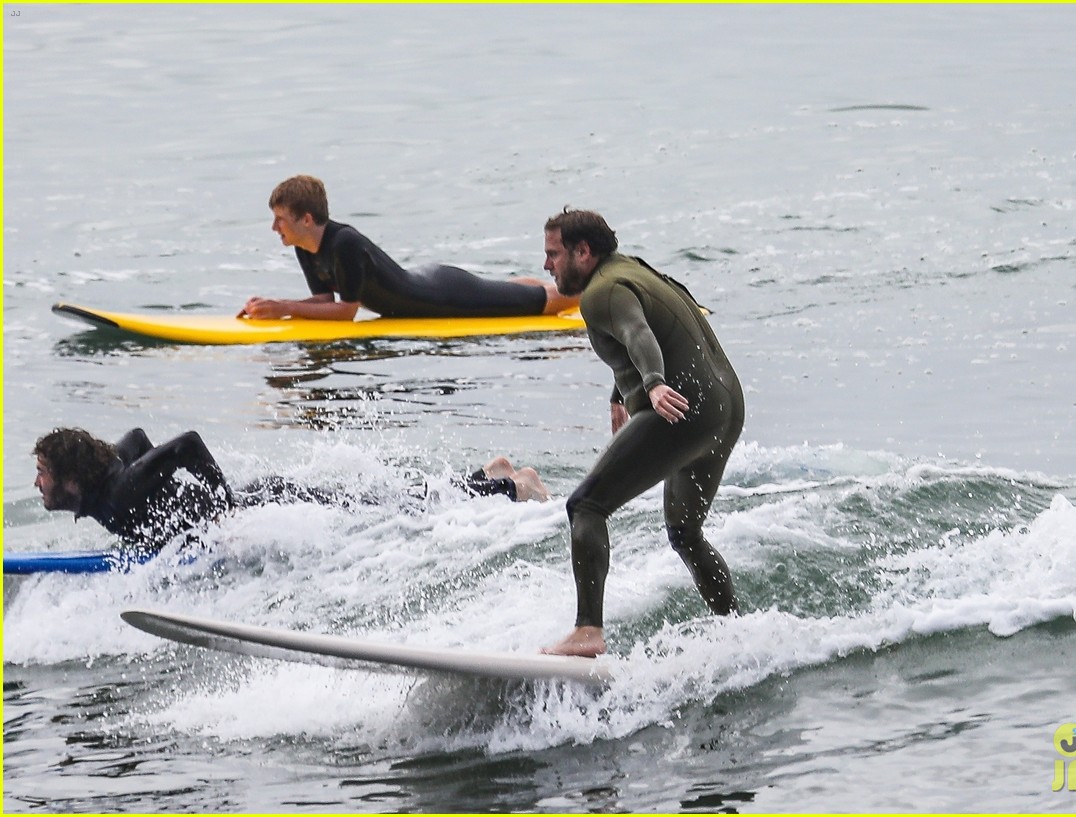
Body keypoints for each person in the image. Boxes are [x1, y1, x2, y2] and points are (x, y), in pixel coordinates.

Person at [540, 209, 746, 658]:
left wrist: (651, 384)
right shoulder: (634, 269)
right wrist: (621, 391)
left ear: (583, 252)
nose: (546, 267)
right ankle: (737, 633)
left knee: (585, 505)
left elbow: (636, 332)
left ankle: (587, 631)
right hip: (725, 409)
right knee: (685, 533)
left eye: (553, 255)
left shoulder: (601, 292)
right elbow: (658, 320)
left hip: (681, 410)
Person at [33, 427, 549, 552]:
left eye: (43, 473)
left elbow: (187, 444)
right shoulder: (110, 481)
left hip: (273, 504)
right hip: (264, 498)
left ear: (72, 478)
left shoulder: (118, 494)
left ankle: (514, 489)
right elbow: (137, 440)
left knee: (395, 512)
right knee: (391, 505)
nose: (37, 484)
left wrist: (222, 507)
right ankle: (489, 475)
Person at [241, 175, 580, 321]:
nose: (274, 228)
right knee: (500, 290)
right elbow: (324, 302)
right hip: (427, 281)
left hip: (441, 295)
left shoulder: (344, 243)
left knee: (547, 304)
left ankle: (596, 289)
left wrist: (284, 307)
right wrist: (273, 306)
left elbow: (347, 311)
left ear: (307, 219)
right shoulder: (304, 246)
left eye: (280, 219)